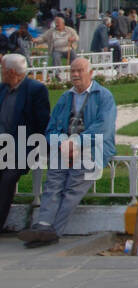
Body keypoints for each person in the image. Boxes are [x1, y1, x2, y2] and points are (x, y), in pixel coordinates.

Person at [19, 57, 116, 247]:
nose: (75, 74)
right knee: (53, 182)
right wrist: (62, 142)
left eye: (80, 71)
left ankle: (53, 232)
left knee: (72, 187)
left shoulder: (103, 96)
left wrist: (76, 143)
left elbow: (103, 128)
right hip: (64, 149)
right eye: (72, 71)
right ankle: (43, 225)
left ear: (90, 73)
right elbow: (51, 127)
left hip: (91, 150)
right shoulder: (65, 98)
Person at [0, 54, 50, 233]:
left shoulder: (35, 90)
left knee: (7, 179)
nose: (1, 72)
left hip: (24, 146)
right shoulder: (3, 89)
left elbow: (42, 124)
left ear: (12, 72)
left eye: (3, 69)